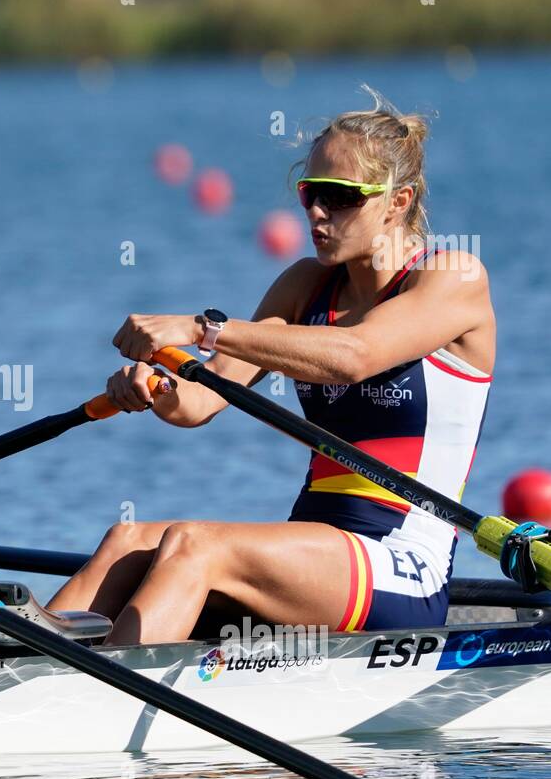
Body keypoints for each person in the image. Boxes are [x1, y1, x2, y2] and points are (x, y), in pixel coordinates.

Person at [49, 89, 494, 645]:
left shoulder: (453, 278)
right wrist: (160, 383)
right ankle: (11, 677)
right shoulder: (304, 285)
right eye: (310, 193)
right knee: (127, 541)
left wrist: (198, 327)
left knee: (195, 544)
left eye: (339, 196)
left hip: (401, 563)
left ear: (398, 201)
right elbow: (202, 400)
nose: (315, 212)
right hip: (315, 547)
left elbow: (354, 357)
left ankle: (90, 698)